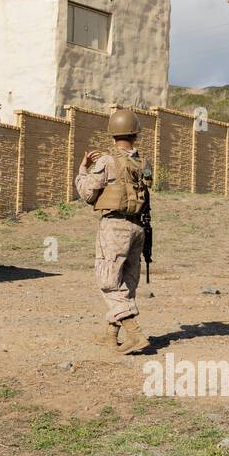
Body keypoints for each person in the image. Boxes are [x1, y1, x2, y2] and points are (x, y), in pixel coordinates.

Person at [74, 108, 151, 353]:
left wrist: (83, 170)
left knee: (108, 282)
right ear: (135, 134)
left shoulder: (107, 161)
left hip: (114, 226)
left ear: (112, 134)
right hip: (139, 227)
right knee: (126, 283)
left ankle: (135, 333)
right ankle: (111, 334)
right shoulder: (142, 163)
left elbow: (88, 194)